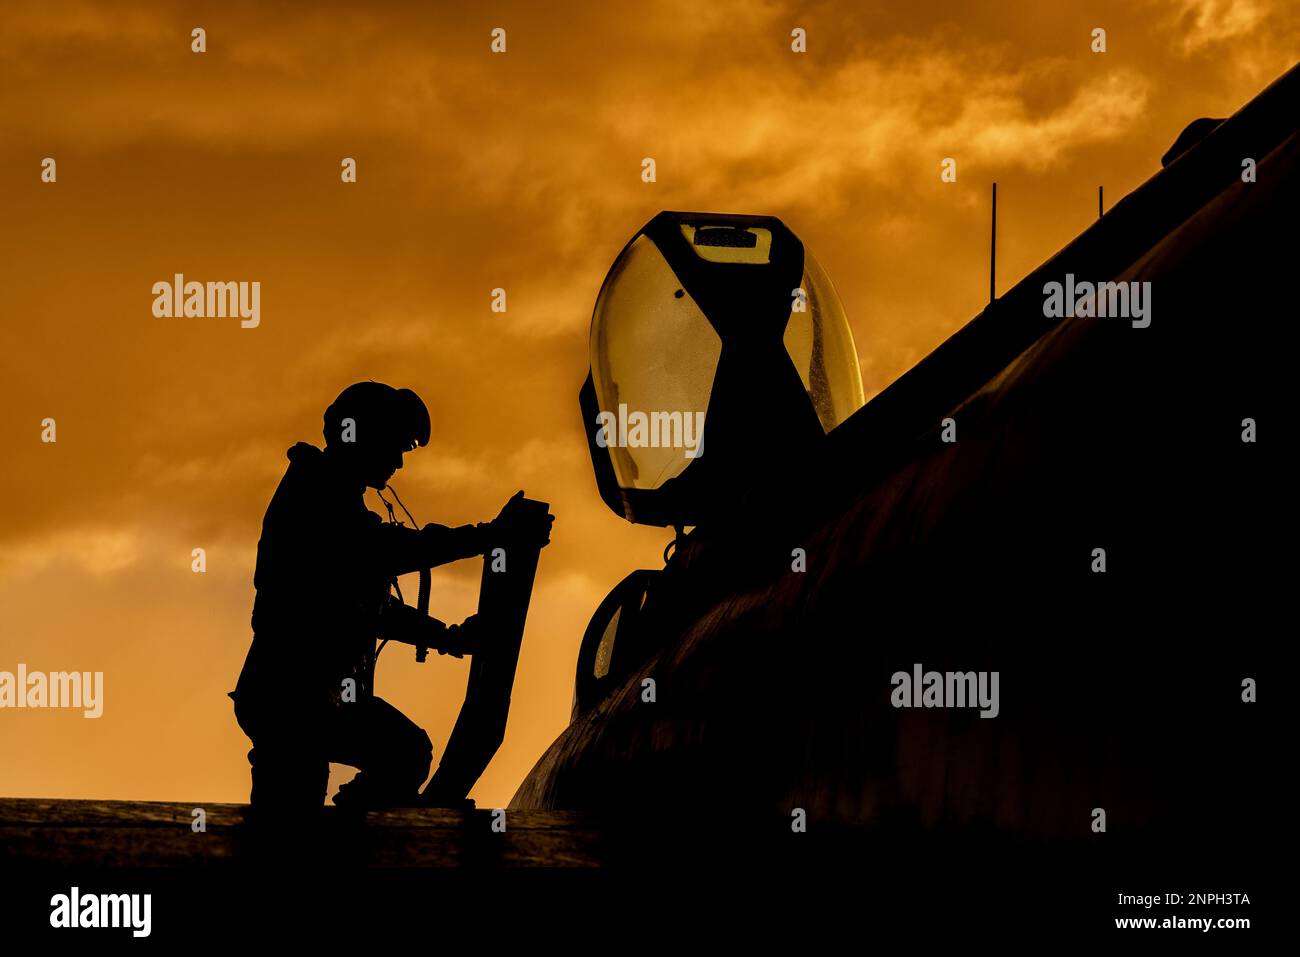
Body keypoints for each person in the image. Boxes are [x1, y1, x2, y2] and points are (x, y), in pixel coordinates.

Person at [230, 381, 553, 817]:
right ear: (362, 436)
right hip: (291, 698)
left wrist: (448, 637)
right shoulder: (314, 498)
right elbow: (390, 552)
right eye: (395, 446)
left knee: (397, 756)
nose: (400, 462)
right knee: (296, 818)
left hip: (303, 698)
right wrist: (492, 535)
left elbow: (371, 607)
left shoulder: (332, 498)